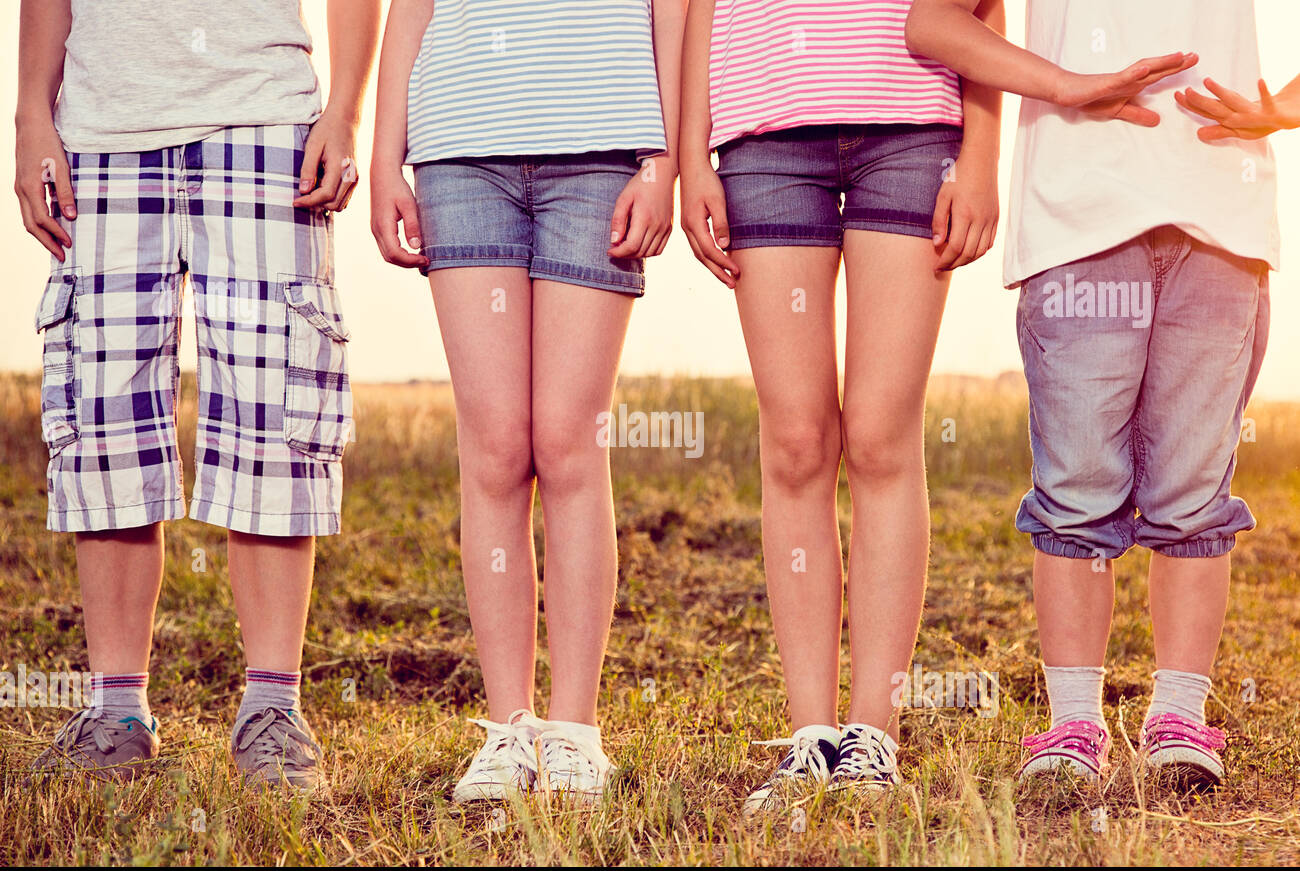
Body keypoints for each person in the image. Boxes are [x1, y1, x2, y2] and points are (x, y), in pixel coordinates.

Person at [907, 0, 1276, 788]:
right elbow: (934, 21)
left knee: (1193, 493)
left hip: (1221, 222)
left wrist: (1285, 107)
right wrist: (1065, 85)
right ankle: (1073, 723)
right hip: (1077, 222)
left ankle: (1180, 714)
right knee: (1076, 488)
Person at [15, 0, 381, 791]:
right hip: (103, 131)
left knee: (273, 416)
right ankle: (117, 714)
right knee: (105, 419)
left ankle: (272, 712)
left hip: (265, 118)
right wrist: (29, 118)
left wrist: (346, 113)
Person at [679, 0, 1002, 817]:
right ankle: (811, 734)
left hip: (913, 127)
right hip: (763, 137)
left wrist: (984, 153)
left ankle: (873, 733)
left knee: (882, 435)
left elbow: (986, 7)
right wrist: (690, 158)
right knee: (795, 441)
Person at [370, 0, 682, 802]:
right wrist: (384, 158)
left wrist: (665, 158)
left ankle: (575, 732)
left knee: (571, 440)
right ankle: (509, 729)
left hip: (602, 148)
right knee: (497, 446)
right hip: (459, 150)